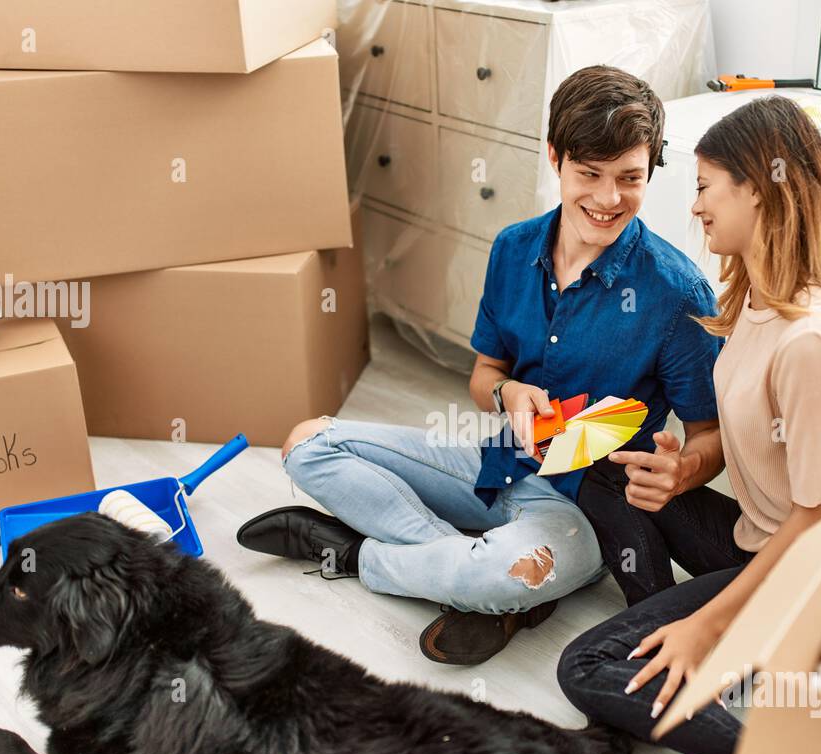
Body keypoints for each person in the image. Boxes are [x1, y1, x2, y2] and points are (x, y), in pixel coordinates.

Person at [237, 66, 722, 665]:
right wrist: (508, 395)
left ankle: (353, 554)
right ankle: (467, 573)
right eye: (589, 174)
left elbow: (709, 436)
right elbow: (484, 376)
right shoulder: (514, 249)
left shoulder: (677, 294)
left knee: (508, 573)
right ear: (555, 157)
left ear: (651, 171)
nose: (607, 199)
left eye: (630, 179)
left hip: (584, 508)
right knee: (308, 443)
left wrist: (685, 472)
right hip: (494, 461)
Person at [559, 95, 821, 754]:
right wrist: (681, 466)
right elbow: (753, 447)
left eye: (706, 188)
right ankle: (660, 641)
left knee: (585, 664)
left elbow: (820, 518)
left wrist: (707, 622)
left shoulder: (812, 341)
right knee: (609, 467)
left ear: (760, 190)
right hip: (754, 543)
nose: (697, 206)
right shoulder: (759, 300)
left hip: (811, 579)